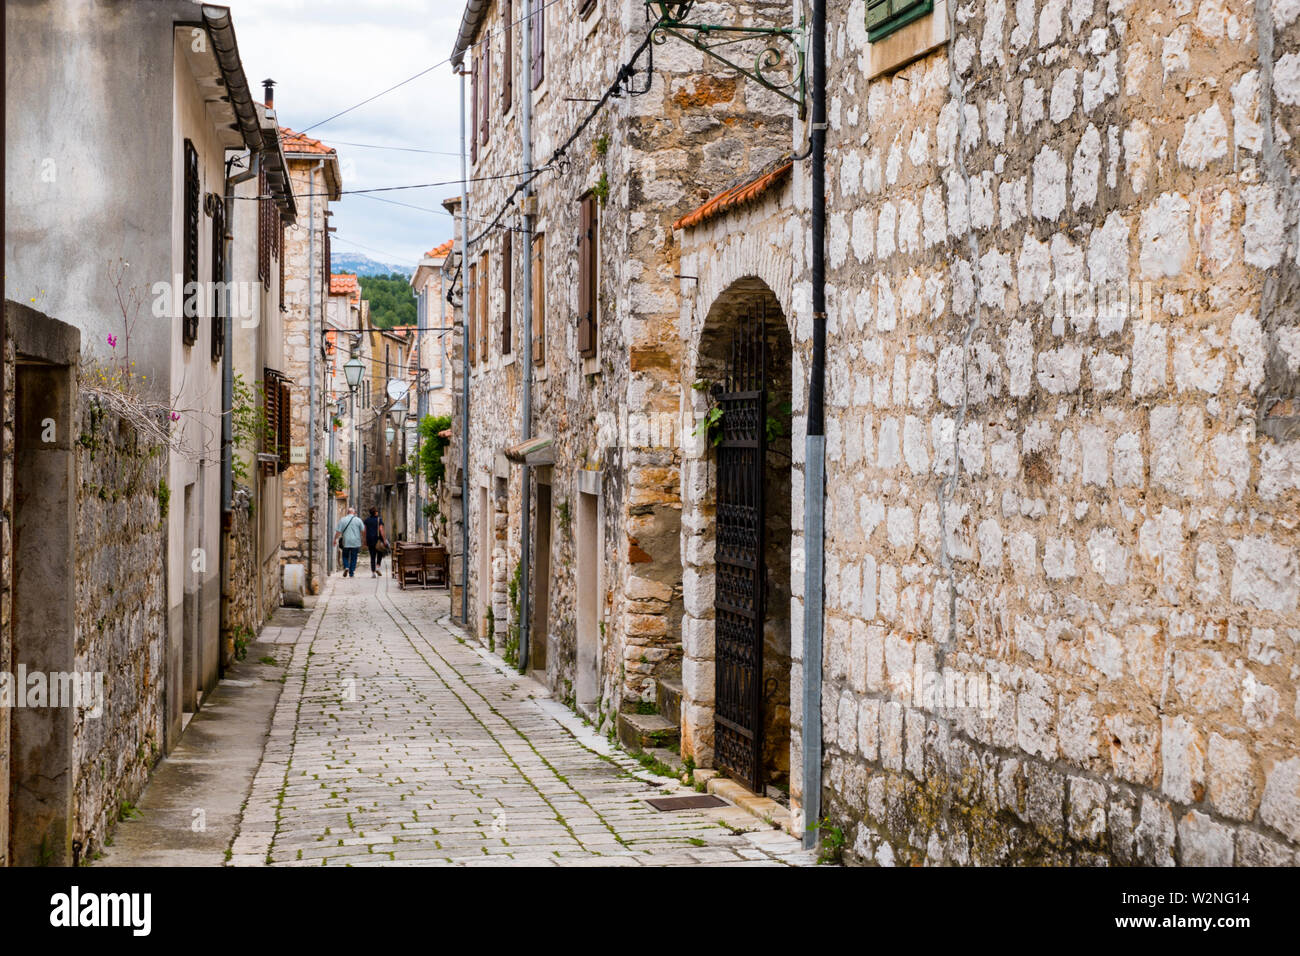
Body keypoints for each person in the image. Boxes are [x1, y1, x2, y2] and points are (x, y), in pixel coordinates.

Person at [333, 507, 363, 578]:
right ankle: (351, 573)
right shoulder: (358, 520)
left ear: (347, 512)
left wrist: (335, 539)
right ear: (354, 512)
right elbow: (363, 530)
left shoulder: (343, 520)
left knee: (345, 555)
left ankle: (346, 566)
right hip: (355, 542)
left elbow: (338, 532)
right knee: (354, 557)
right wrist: (364, 540)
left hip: (346, 541)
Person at [363, 506, 388, 577]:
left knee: (372, 556)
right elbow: (381, 530)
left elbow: (365, 531)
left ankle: (373, 573)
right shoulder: (379, 520)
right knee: (380, 554)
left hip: (370, 540)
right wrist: (384, 539)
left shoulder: (367, 520)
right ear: (375, 513)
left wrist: (364, 540)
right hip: (378, 540)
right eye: (377, 511)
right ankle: (377, 567)